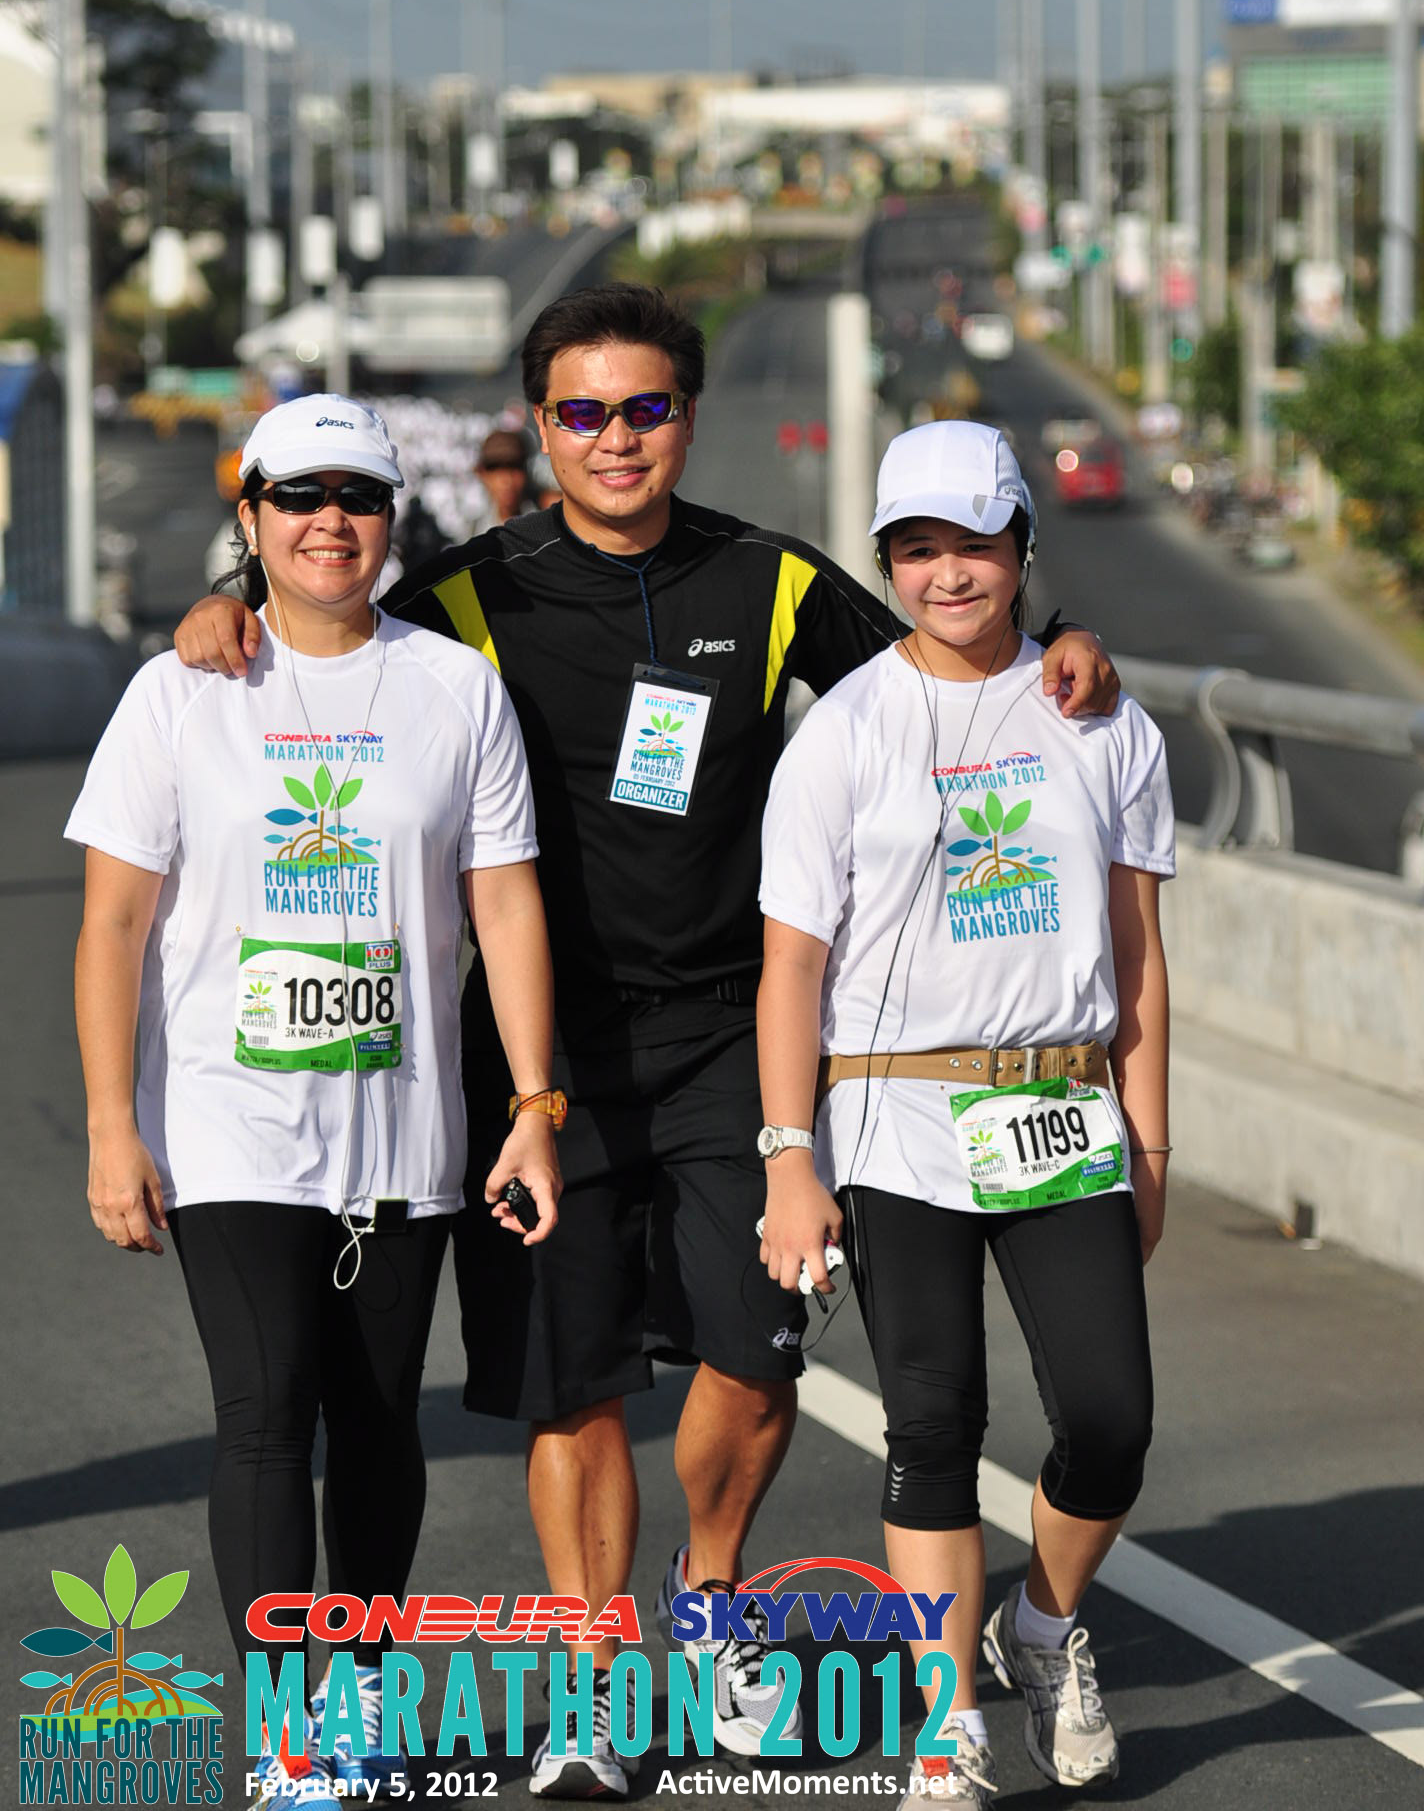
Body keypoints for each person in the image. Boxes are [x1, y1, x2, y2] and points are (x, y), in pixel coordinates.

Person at [172, 286, 1120, 1799]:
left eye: (647, 409)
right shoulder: (474, 595)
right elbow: (316, 631)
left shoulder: (775, 579)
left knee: (753, 1365)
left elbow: (949, 654)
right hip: (538, 1059)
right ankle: (599, 1681)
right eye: (581, 414)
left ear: (687, 415)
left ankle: (716, 1590)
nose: (616, 440)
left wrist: (1067, 635)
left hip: (732, 1044)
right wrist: (225, 601)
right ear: (540, 426)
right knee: (575, 1383)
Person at [69, 395, 561, 1810]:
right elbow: (110, 928)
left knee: (381, 1421)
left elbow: (505, 901)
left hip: (405, 1129)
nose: (328, 522)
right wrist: (116, 1127)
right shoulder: (183, 692)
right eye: (299, 498)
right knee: (270, 1409)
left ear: (392, 523)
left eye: (357, 497)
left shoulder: (454, 689)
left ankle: (361, 1684)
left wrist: (536, 1100)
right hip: (228, 1122)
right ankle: (291, 1729)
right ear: (253, 520)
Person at [756, 419, 1173, 1807]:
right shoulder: (845, 733)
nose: (948, 573)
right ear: (888, 559)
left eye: (974, 543)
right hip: (894, 1118)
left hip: (1059, 1108)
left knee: (1111, 1419)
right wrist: (788, 1157)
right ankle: (948, 1723)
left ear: (1022, 548)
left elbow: (1138, 953)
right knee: (931, 1421)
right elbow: (792, 969)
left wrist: (1151, 1135)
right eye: (917, 549)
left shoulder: (1099, 716)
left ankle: (1043, 1630)